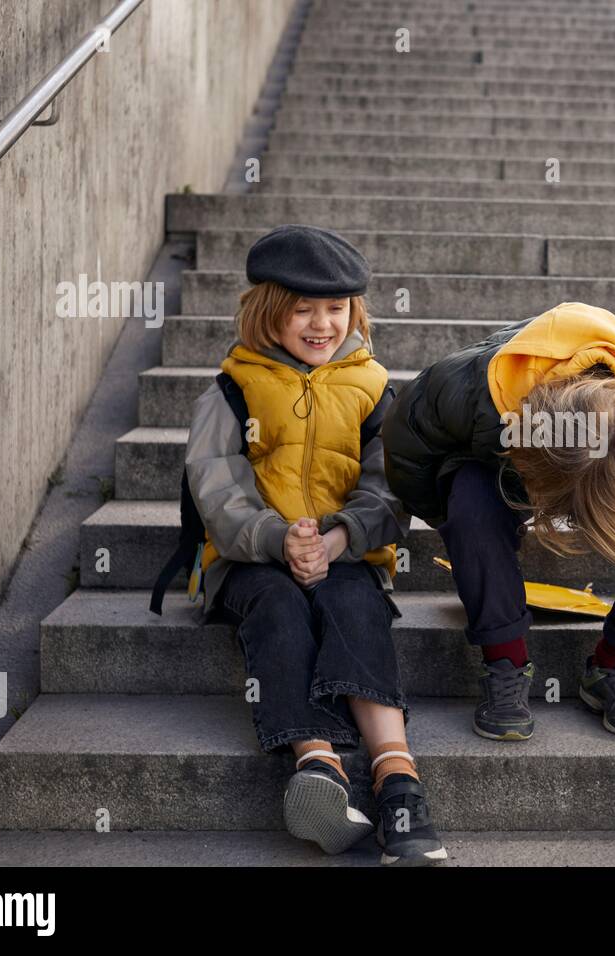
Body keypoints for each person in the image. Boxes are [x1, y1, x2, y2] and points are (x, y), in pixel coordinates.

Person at [382, 300, 615, 740]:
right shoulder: (465, 387)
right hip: (504, 453)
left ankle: (614, 666)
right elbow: (406, 451)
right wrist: (460, 531)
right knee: (469, 496)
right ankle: (505, 662)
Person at [183, 224, 445, 865]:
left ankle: (396, 778)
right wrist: (278, 538)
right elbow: (217, 491)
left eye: (335, 309)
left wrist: (340, 536)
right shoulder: (231, 387)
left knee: (354, 605)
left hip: (345, 552)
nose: (321, 324)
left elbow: (390, 487)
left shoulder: (374, 388)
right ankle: (318, 763)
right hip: (248, 561)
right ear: (269, 311)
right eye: (303, 309)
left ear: (354, 312)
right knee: (279, 606)